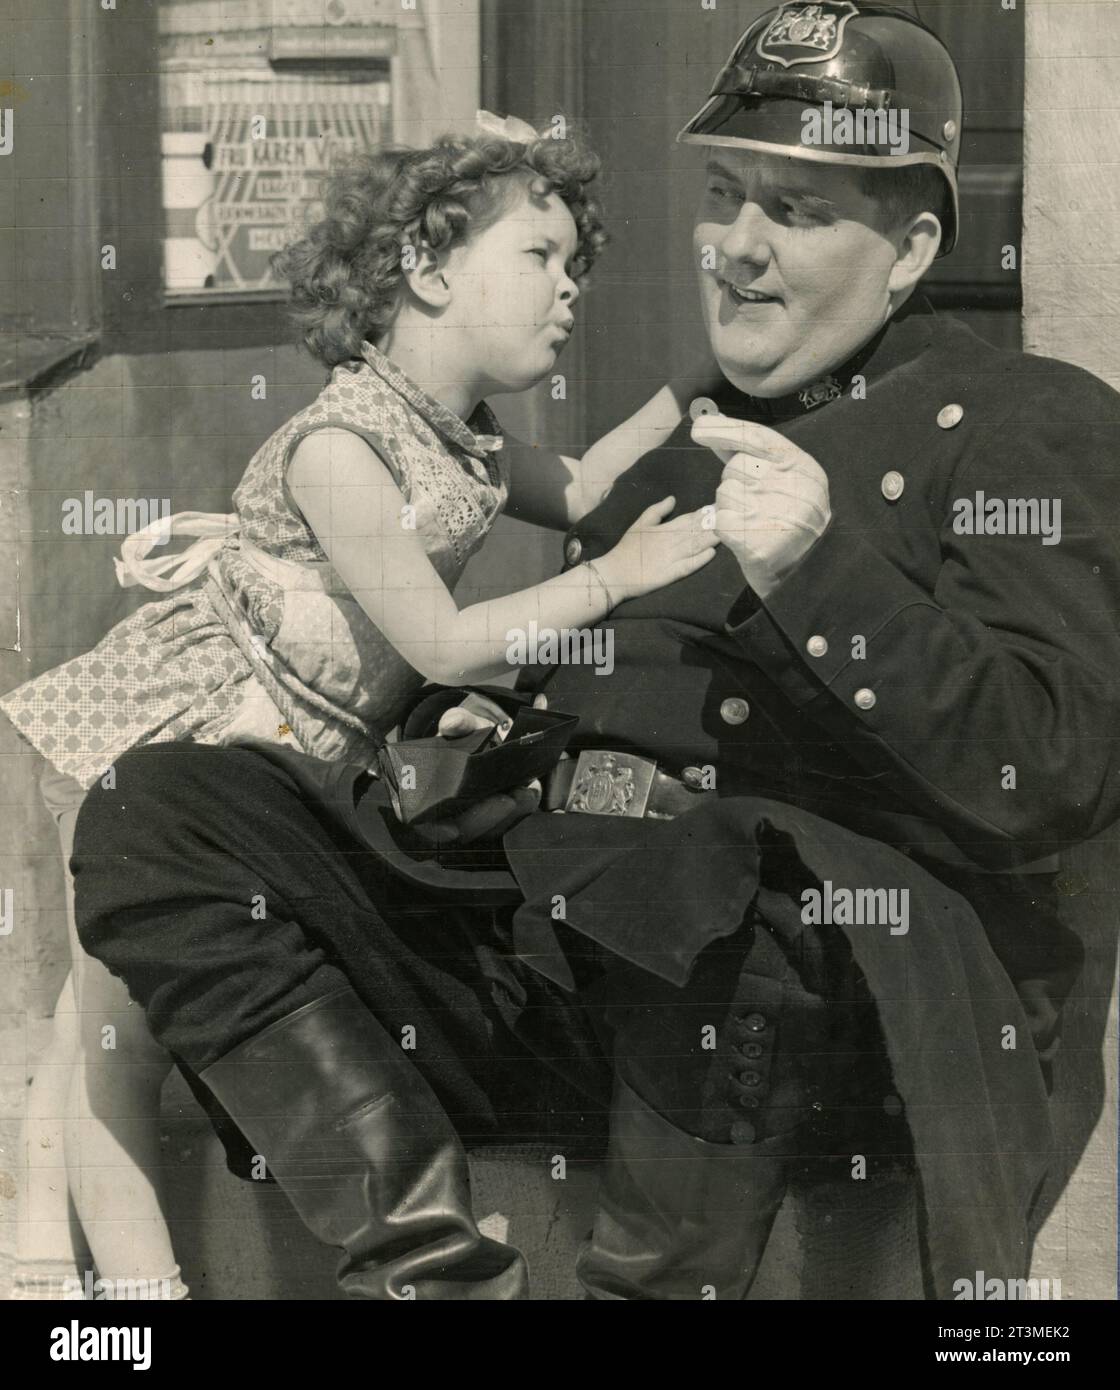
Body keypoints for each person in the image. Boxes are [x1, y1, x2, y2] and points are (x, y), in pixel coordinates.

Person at [69, 2, 1120, 1300]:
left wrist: (819, 570)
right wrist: (474, 723)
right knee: (158, 804)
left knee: (724, 862)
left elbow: (1052, 767)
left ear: (909, 250)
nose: (732, 249)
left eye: (791, 213)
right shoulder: (693, 428)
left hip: (819, 999)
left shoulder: (1027, 423)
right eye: (725, 194)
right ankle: (430, 1266)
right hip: (564, 937)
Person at [1, 114, 720, 1299]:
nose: (569, 292)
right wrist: (615, 579)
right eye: (541, 258)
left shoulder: (469, 444)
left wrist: (719, 368)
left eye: (576, 267)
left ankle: (49, 1269)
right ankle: (119, 1294)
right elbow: (436, 638)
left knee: (106, 1029)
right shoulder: (340, 446)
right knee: (117, 1043)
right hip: (189, 739)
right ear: (428, 271)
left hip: (287, 771)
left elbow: (589, 483)